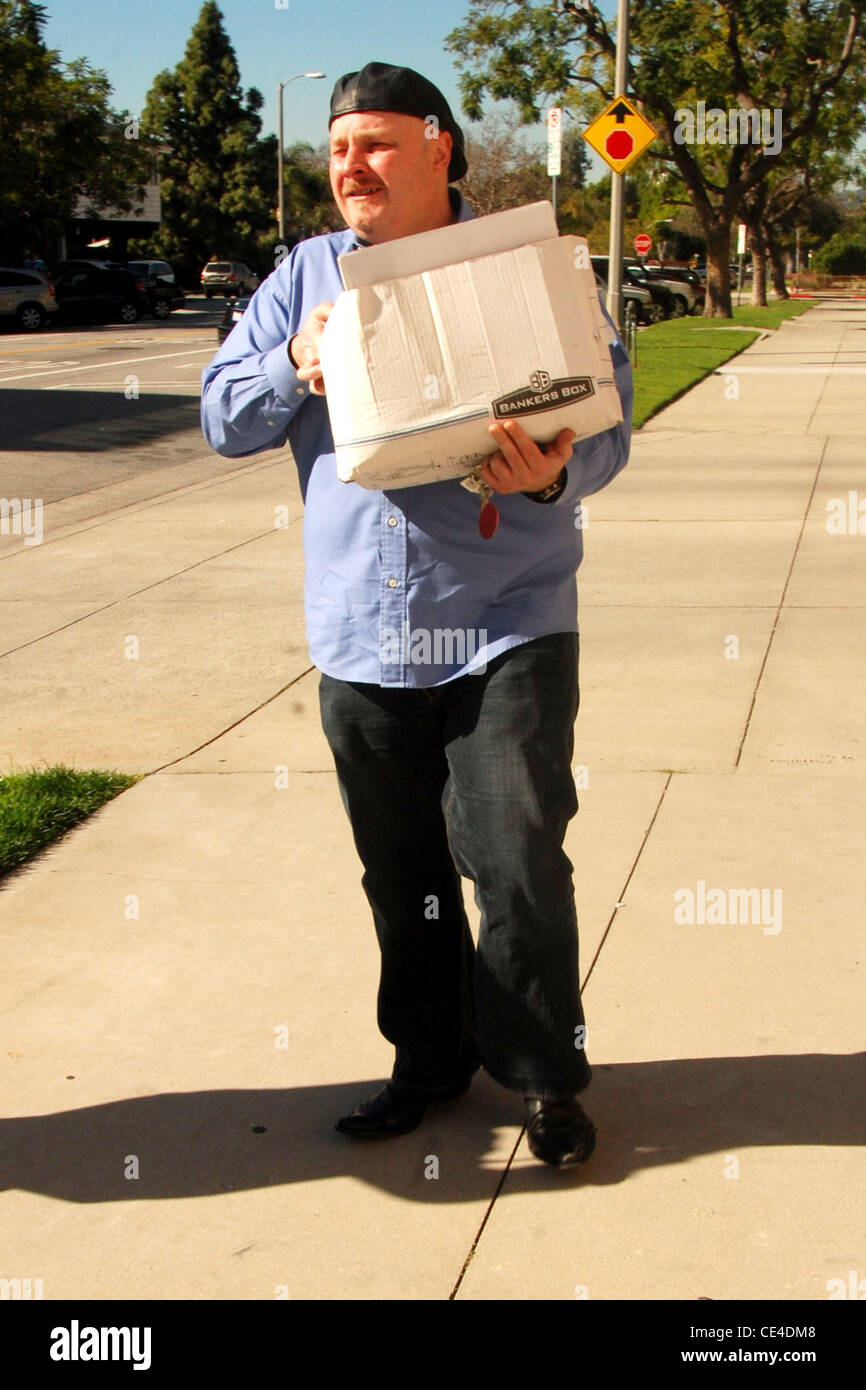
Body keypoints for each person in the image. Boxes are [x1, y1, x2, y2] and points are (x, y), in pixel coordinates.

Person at [201, 62, 634, 1166]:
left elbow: (607, 427)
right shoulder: (302, 276)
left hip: (503, 618)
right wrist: (294, 366)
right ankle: (428, 1063)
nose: (350, 165)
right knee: (403, 875)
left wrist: (546, 476)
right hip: (359, 631)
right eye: (339, 148)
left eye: (377, 144)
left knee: (519, 855)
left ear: (440, 148)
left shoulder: (524, 268)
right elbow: (218, 415)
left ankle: (542, 1076)